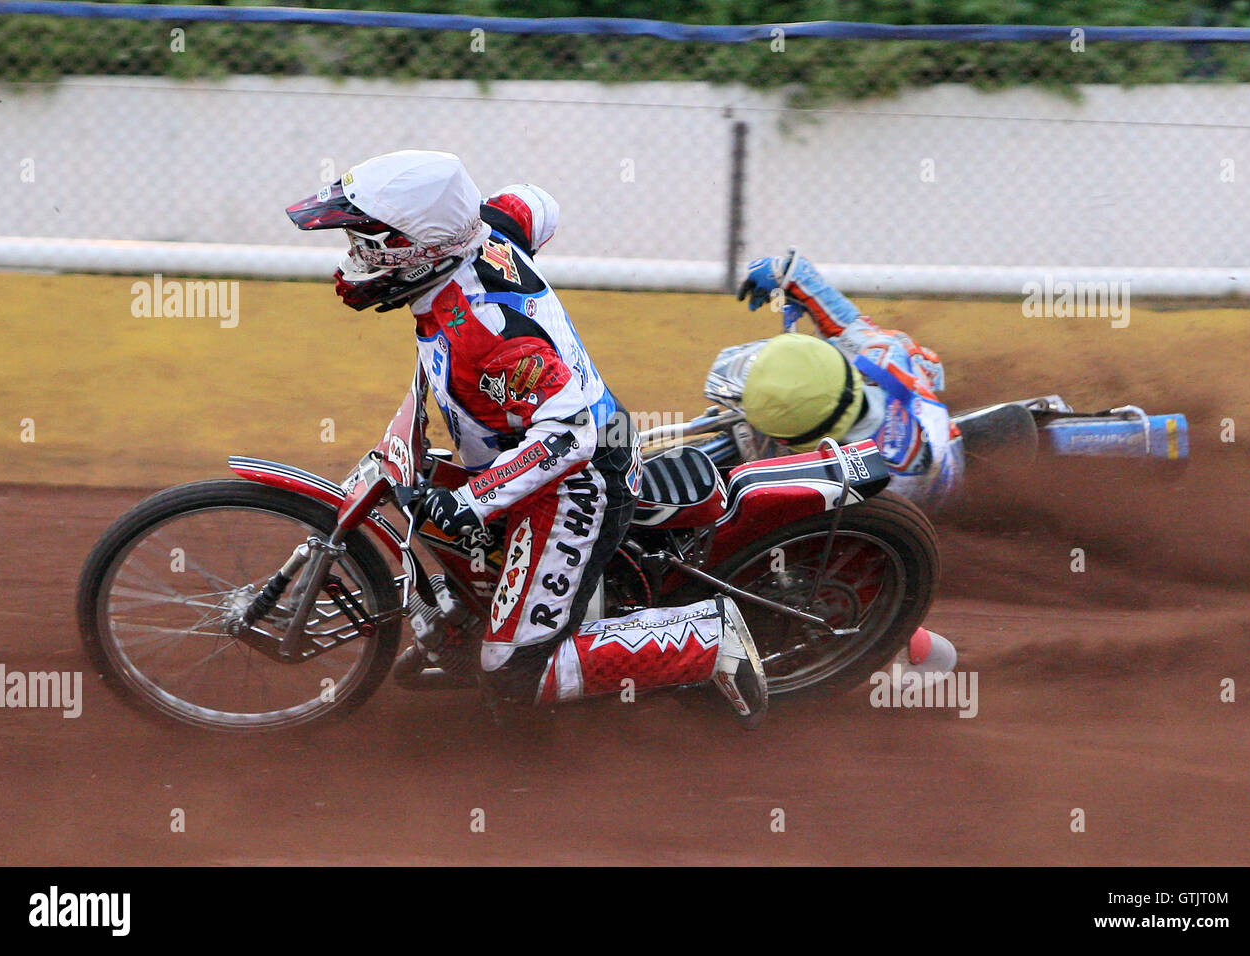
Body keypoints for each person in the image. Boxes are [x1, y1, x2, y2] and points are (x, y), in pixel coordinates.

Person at [286, 149, 767, 726]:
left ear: (419, 251)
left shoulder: (486, 335)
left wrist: (472, 500)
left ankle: (708, 638)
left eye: (370, 244)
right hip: (542, 431)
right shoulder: (490, 227)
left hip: (577, 479)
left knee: (511, 673)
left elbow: (574, 432)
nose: (356, 258)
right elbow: (537, 203)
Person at [733, 249, 965, 514]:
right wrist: (784, 273)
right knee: (879, 342)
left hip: (915, 501)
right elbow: (845, 323)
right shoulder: (878, 354)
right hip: (928, 422)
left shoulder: (862, 478)